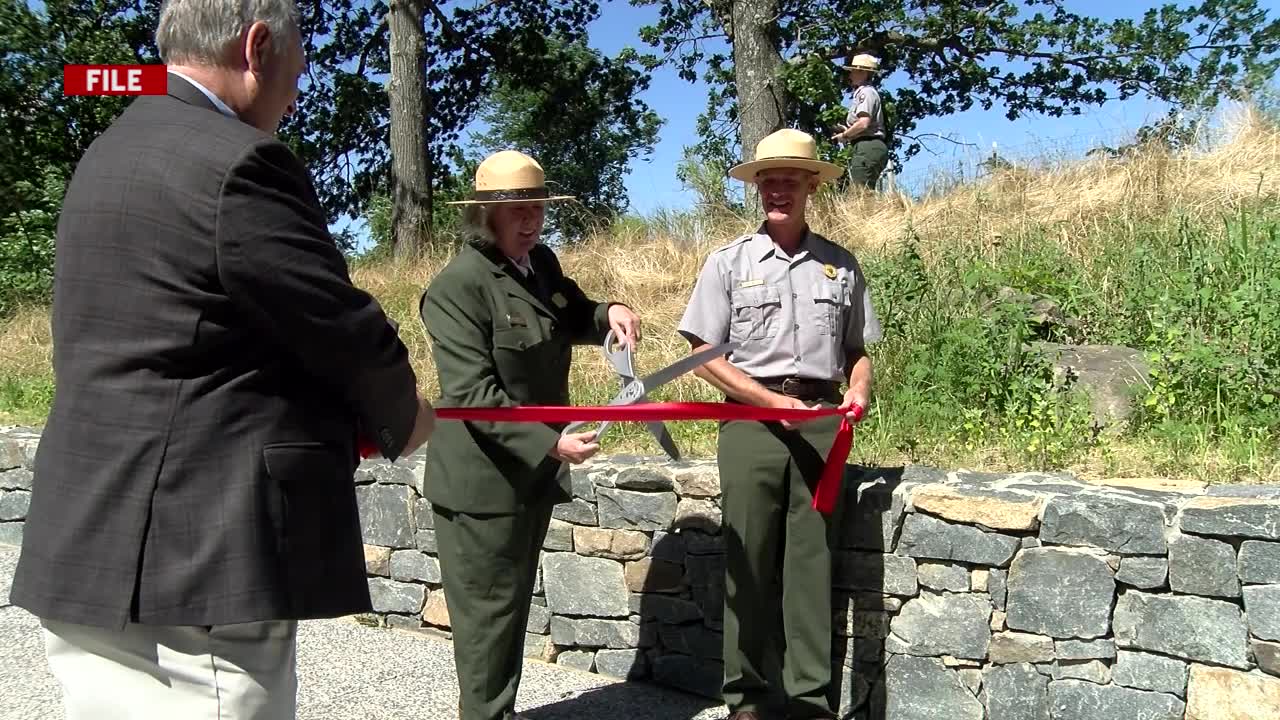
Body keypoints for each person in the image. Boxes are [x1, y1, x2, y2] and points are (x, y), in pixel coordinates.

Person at [9, 0, 437, 716]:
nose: (296, 95)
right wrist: (403, 418)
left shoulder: (107, 153)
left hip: (90, 543)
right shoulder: (238, 162)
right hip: (194, 566)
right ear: (257, 46)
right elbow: (341, 329)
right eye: (297, 71)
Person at [419, 149, 642, 720]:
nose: (531, 219)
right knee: (487, 621)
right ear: (485, 216)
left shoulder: (538, 264)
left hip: (528, 478)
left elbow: (570, 313)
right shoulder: (458, 288)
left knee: (510, 612)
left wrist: (608, 313)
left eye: (537, 206)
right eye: (517, 209)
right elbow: (472, 394)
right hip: (481, 487)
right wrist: (550, 442)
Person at [677, 128, 881, 720]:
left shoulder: (840, 267)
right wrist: (765, 401)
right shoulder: (728, 263)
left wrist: (859, 389)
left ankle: (810, 701)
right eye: (769, 181)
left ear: (811, 185)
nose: (779, 191)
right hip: (749, 427)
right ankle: (746, 700)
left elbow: (856, 351)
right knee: (749, 563)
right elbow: (700, 352)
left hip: (821, 424)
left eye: (791, 180)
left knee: (811, 567)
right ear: (757, 188)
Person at [831, 53, 889, 189]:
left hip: (867, 146)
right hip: (865, 145)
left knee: (860, 192)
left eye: (853, 71)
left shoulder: (866, 93)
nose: (850, 75)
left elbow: (863, 123)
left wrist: (844, 136)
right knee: (863, 190)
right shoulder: (865, 93)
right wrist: (847, 130)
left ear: (863, 72)